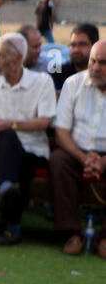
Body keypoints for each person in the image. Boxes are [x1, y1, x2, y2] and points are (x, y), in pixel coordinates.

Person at [0, 32, 57, 246]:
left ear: (18, 57)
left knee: (15, 148)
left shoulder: (42, 82)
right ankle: (11, 217)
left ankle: (8, 198)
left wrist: (12, 123)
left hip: (32, 150)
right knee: (7, 140)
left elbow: (45, 122)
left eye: (1, 56)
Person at [51, 39, 106, 256]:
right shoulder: (73, 83)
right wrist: (85, 158)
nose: (95, 68)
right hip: (76, 151)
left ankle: (104, 237)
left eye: (102, 63)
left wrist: (103, 162)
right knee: (58, 160)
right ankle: (72, 233)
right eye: (93, 61)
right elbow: (61, 132)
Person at [54, 23, 97, 91]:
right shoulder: (58, 74)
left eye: (82, 44)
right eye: (73, 45)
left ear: (94, 46)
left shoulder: (101, 73)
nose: (76, 50)